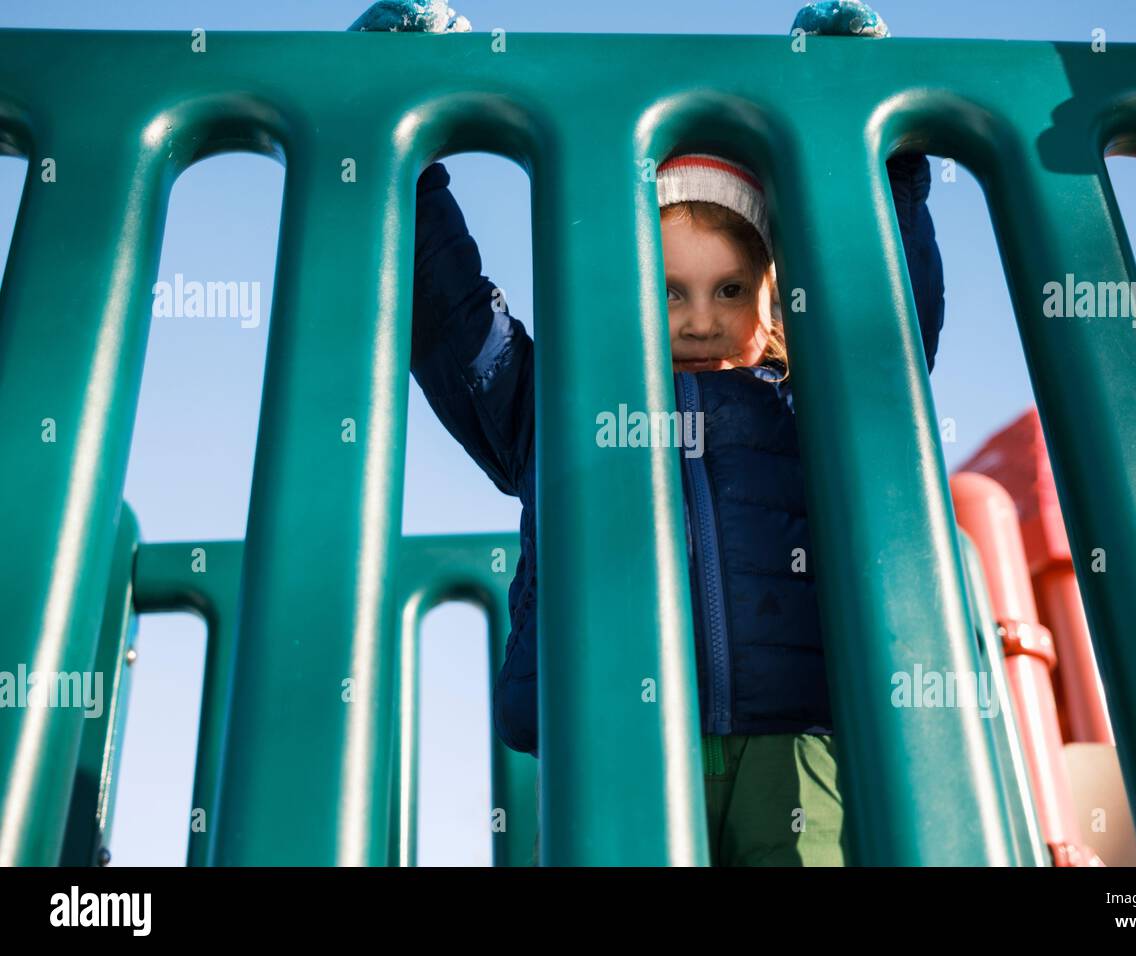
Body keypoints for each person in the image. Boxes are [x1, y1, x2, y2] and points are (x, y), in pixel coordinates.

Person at [356, 0, 945, 866]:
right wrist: (420, 153)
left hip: (798, 740)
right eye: (670, 289)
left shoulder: (807, 407)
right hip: (619, 735)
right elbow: (453, 322)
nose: (701, 317)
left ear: (773, 296)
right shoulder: (557, 404)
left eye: (730, 289)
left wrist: (881, 159)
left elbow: (890, 315)